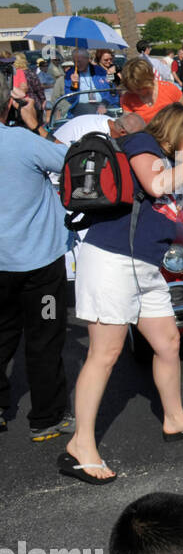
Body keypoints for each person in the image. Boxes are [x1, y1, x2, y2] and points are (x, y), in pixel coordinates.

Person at [62, 103, 183, 484]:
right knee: (105, 353)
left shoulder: (171, 164)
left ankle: (174, 419)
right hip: (111, 262)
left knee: (168, 344)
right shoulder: (140, 143)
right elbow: (155, 185)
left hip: (145, 267)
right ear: (178, 130)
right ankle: (80, 445)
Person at [0, 98, 75, 440]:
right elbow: (76, 161)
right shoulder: (23, 140)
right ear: (8, 108)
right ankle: (47, 417)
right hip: (39, 263)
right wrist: (37, 125)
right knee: (44, 337)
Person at [119, 57, 183, 124]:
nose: (138, 92)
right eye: (134, 89)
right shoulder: (128, 98)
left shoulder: (169, 88)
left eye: (142, 88)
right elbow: (129, 127)